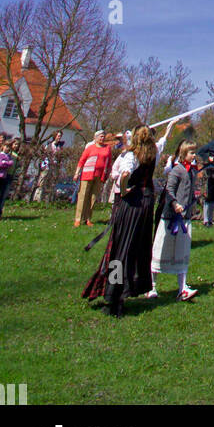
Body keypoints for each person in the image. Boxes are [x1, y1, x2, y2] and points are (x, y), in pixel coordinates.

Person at [83, 123, 173, 316]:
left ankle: (113, 296)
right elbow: (162, 142)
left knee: (119, 250)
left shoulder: (131, 156)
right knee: (134, 250)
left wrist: (123, 190)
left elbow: (125, 174)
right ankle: (121, 294)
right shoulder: (153, 154)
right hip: (146, 204)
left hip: (131, 205)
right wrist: (170, 128)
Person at [148, 141, 199, 300]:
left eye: (194, 152)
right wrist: (175, 203)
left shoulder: (192, 172)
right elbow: (169, 190)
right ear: (183, 154)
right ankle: (151, 287)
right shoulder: (176, 170)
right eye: (191, 152)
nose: (194, 155)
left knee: (183, 252)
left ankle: (182, 288)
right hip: (170, 219)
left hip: (185, 218)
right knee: (160, 250)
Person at [73, 131, 113, 227]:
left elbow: (109, 162)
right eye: (100, 136)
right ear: (95, 137)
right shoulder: (90, 148)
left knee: (93, 197)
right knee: (83, 196)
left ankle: (88, 218)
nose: (102, 138)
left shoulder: (107, 148)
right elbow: (82, 160)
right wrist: (77, 173)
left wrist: (108, 173)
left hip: (99, 176)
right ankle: (78, 218)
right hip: (87, 174)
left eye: (103, 136)